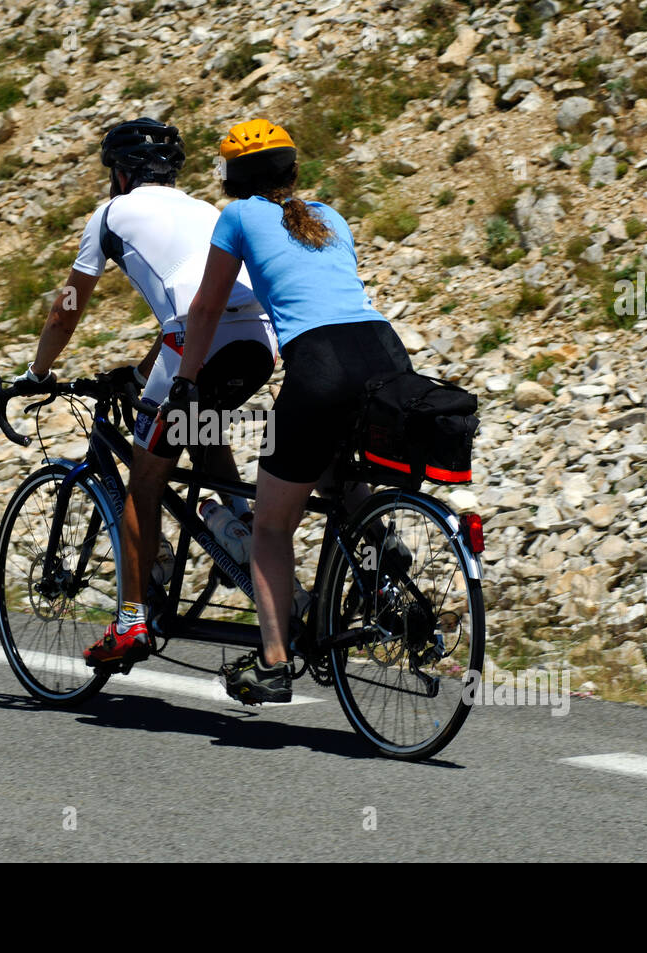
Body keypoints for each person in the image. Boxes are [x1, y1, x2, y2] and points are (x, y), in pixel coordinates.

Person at [161, 119, 413, 704]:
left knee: (273, 525)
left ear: (229, 180)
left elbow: (205, 308)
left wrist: (187, 380)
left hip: (320, 366)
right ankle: (377, 550)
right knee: (334, 466)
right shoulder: (329, 215)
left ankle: (273, 664)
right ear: (294, 171)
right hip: (385, 356)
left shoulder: (238, 217)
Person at [16, 117, 278, 669]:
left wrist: (38, 373)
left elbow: (68, 310)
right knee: (198, 423)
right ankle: (235, 521)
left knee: (145, 478)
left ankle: (130, 623)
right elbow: (189, 299)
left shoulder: (110, 214)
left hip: (194, 342)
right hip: (257, 342)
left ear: (119, 173)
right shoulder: (204, 209)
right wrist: (141, 372)